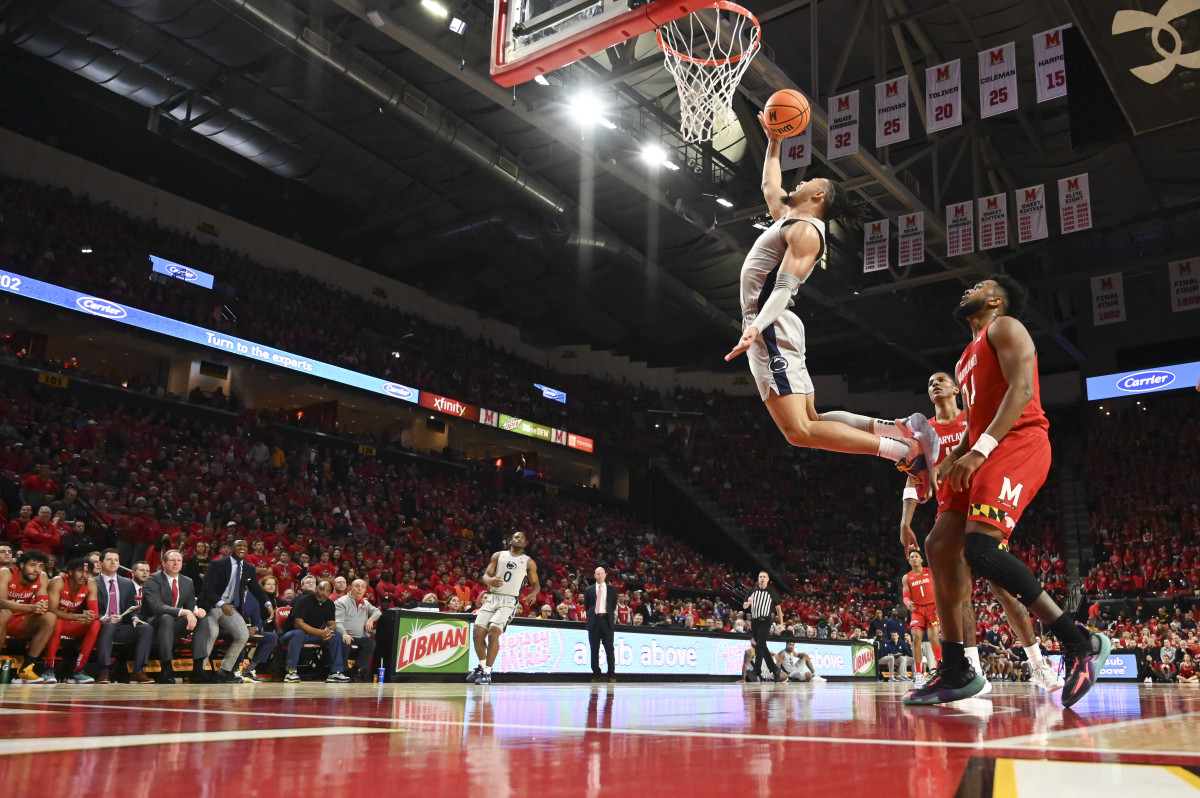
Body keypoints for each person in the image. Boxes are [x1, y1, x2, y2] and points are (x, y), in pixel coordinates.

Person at [904, 276, 1110, 706]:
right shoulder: (964, 360)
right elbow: (976, 423)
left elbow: (1023, 391)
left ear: (995, 299)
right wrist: (948, 459)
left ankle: (1079, 644)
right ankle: (957, 669)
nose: (966, 290)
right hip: (984, 447)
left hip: (1020, 442)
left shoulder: (1005, 327)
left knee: (980, 548)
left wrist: (976, 453)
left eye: (977, 285)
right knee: (939, 543)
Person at [723, 114, 940, 494]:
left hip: (769, 324)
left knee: (800, 432)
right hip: (776, 325)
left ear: (818, 196)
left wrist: (755, 327)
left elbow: (783, 288)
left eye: (809, 181)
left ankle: (903, 451)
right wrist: (773, 142)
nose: (801, 181)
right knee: (811, 418)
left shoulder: (805, 231)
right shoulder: (790, 219)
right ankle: (898, 429)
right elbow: (768, 184)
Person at [195, 538, 274, 683]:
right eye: (239, 545)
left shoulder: (249, 568)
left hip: (230, 607)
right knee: (212, 633)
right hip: (210, 605)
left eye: (244, 546)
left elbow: (256, 588)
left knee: (242, 634)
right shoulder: (217, 564)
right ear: (232, 549)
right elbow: (207, 589)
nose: (242, 548)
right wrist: (220, 603)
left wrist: (267, 603)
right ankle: (200, 671)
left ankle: (225, 671)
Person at [466, 531, 539, 686]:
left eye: (522, 538)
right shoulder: (498, 555)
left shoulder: (528, 562)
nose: (519, 539)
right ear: (510, 541)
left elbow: (536, 584)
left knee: (493, 632)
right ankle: (482, 665)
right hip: (492, 597)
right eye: (516, 537)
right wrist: (490, 580)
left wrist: (533, 593)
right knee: (478, 632)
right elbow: (485, 575)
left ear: (525, 544)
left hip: (509, 601)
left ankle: (487, 672)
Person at [141, 549, 206, 684]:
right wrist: (186, 613)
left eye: (179, 561)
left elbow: (190, 606)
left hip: (175, 626)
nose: (176, 563)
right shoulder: (153, 579)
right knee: (166, 617)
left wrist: (197, 611)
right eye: (172, 560)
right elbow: (156, 607)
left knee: (201, 620)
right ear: (164, 564)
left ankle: (198, 669)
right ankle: (166, 668)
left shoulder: (187, 581)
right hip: (152, 624)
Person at [94, 549, 154, 684]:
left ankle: (138, 671)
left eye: (116, 560)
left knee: (146, 628)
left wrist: (134, 618)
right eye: (109, 559)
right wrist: (105, 618)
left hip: (122, 626)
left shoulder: (127, 583)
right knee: (108, 626)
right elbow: (90, 608)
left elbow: (131, 607)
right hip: (101, 625)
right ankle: (103, 672)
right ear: (100, 563)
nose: (113, 562)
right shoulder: (92, 582)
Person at [0, 550, 57, 683]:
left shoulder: (42, 576)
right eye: (32, 565)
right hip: (2, 619)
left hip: (20, 622)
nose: (37, 570)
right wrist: (31, 607)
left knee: (50, 617)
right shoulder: (6, 573)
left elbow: (42, 599)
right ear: (22, 565)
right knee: (5, 612)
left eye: (40, 566)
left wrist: (42, 605)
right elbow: (1, 601)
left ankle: (26, 669)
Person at [281, 579, 350, 683]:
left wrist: (329, 630)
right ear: (316, 588)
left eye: (327, 591)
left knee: (335, 635)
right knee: (299, 633)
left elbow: (331, 624)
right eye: (321, 589)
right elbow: (298, 624)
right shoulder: (304, 600)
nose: (323, 593)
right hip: (291, 634)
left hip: (312, 635)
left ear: (330, 593)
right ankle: (291, 672)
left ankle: (336, 672)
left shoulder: (330, 604)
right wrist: (320, 632)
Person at [44, 557, 100, 683]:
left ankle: (79, 669)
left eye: (87, 572)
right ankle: (49, 668)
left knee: (95, 624)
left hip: (72, 623)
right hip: (55, 622)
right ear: (70, 571)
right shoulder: (58, 581)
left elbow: (95, 612)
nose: (84, 575)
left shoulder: (91, 584)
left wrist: (90, 616)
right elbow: (52, 610)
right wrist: (79, 617)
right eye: (81, 571)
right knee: (55, 621)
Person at [901, 550, 941, 684]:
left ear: (921, 559)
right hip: (917, 610)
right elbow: (906, 595)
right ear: (909, 561)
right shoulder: (907, 577)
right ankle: (918, 672)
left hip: (933, 608)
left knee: (933, 637)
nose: (913, 559)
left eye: (916, 557)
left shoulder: (930, 571)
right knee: (916, 638)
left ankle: (938, 668)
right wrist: (907, 603)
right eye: (911, 557)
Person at [334, 579, 381, 682]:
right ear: (350, 588)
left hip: (359, 637)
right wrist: (344, 634)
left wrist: (370, 619)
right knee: (344, 641)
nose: (359, 589)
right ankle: (344, 671)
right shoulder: (341, 602)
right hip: (344, 635)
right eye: (357, 586)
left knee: (370, 643)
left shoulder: (365, 603)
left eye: (362, 587)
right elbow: (337, 622)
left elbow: (377, 612)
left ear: (365, 590)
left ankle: (356, 671)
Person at [743, 571, 785, 682]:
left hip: (765, 621)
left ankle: (757, 671)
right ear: (758, 579)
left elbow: (779, 609)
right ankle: (774, 669)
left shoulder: (771, 592)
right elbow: (744, 605)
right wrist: (749, 602)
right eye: (760, 576)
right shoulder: (751, 591)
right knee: (760, 646)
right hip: (755, 622)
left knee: (760, 644)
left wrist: (781, 624)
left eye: (764, 577)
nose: (762, 578)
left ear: (767, 579)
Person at [584, 566, 618, 683]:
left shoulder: (612, 590)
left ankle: (611, 674)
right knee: (594, 649)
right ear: (594, 576)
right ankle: (596, 674)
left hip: (606, 621)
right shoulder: (589, 590)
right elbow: (587, 606)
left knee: (609, 649)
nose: (599, 575)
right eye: (597, 574)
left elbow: (612, 605)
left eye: (601, 573)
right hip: (594, 621)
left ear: (605, 575)